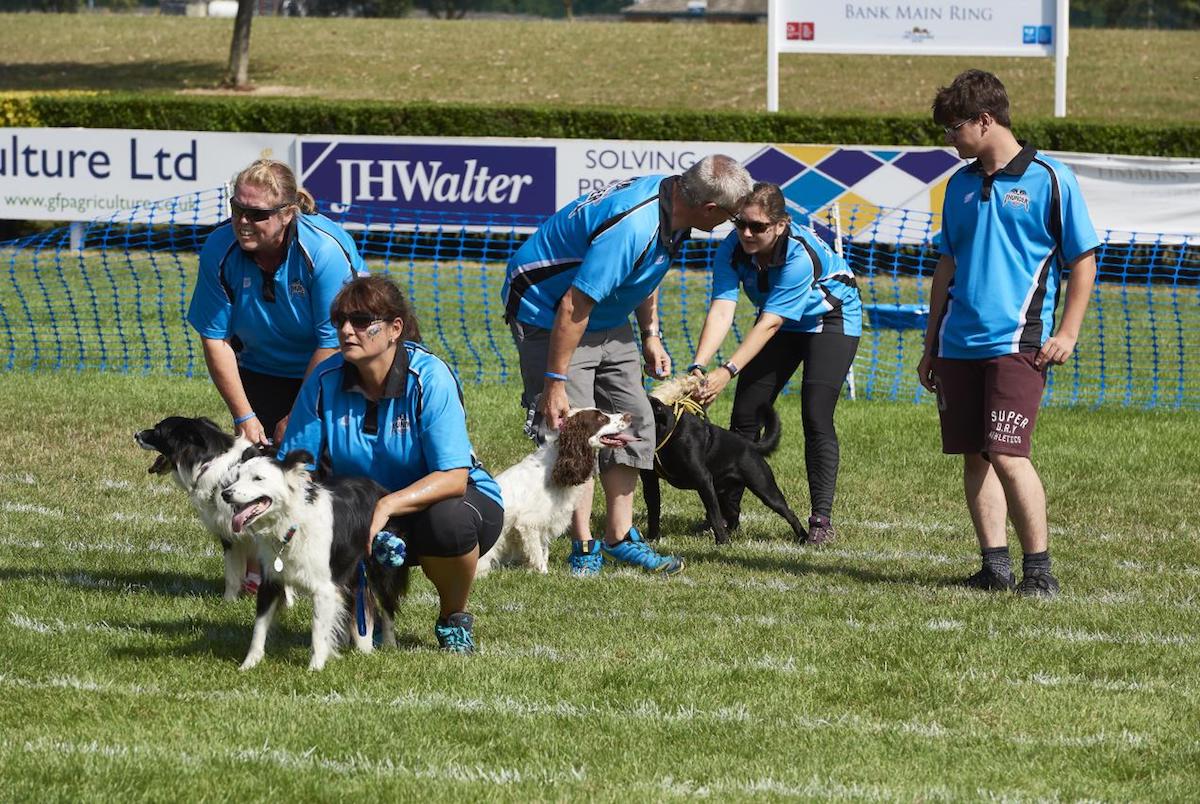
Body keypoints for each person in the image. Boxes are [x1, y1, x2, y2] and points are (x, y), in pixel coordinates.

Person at [502, 154, 753, 576]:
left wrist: (650, 334)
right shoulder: (634, 226)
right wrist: (555, 381)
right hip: (549, 310)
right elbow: (573, 304)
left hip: (605, 312)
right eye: (730, 217)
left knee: (635, 418)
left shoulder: (675, 205)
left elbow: (644, 274)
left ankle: (619, 537)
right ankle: (583, 546)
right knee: (576, 429)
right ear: (709, 208)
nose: (730, 225)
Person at [918, 69, 1099, 598]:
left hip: (1018, 344)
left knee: (1007, 452)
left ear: (985, 120)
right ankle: (993, 567)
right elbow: (946, 266)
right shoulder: (958, 185)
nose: (949, 139)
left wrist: (1068, 331)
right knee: (975, 454)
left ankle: (1039, 571)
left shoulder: (1050, 177)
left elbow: (1083, 261)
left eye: (954, 128)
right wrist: (930, 345)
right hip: (957, 345)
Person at [278, 276, 503, 653]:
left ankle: (453, 619)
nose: (348, 331)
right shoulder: (322, 379)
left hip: (447, 502)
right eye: (341, 322)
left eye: (363, 321)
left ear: (395, 329)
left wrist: (386, 506)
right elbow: (298, 470)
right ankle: (367, 610)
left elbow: (453, 478)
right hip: (363, 510)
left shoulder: (429, 378)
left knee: (448, 523)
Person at [187, 159, 366, 593]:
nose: (243, 222)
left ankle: (340, 572)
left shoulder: (324, 251)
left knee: (322, 468)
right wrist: (245, 415)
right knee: (254, 469)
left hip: (332, 364)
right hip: (261, 368)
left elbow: (333, 341)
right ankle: (263, 574)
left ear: (287, 214)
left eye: (257, 215)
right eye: (236, 210)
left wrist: (298, 413)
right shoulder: (220, 248)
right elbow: (215, 339)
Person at [690, 182, 861, 546]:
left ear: (781, 224)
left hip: (830, 320)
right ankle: (726, 516)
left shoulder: (798, 255)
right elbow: (722, 308)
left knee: (816, 415)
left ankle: (821, 520)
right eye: (741, 224)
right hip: (780, 321)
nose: (747, 233)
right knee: (745, 416)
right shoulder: (731, 248)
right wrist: (699, 366)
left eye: (758, 227)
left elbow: (770, 322)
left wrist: (728, 370)